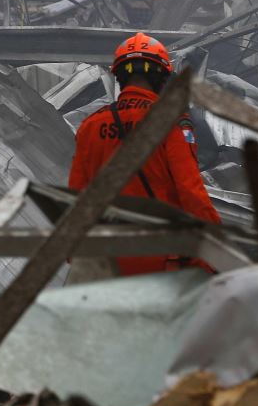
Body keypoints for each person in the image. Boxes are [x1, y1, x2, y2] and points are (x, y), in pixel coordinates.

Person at [69, 32, 221, 275]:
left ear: (119, 76)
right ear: (162, 77)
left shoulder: (90, 126)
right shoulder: (171, 123)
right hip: (159, 260)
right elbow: (191, 192)